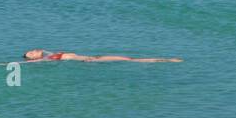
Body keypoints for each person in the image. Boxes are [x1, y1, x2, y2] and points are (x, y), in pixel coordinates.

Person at [21, 49, 182, 63]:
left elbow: (44, 49)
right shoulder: (45, 59)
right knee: (130, 60)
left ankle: (167, 59)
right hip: (90, 60)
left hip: (92, 58)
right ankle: (168, 60)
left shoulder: (49, 54)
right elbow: (29, 63)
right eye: (31, 53)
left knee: (128, 59)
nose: (34, 51)